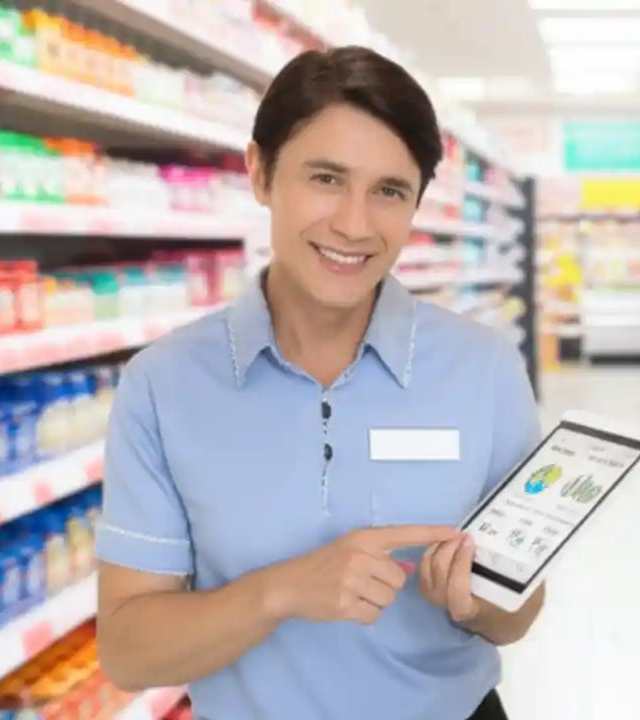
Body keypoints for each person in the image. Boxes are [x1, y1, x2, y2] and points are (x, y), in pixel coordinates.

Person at [94, 46, 545, 720]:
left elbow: (518, 612)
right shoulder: (164, 385)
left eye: (390, 191)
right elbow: (128, 653)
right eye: (327, 178)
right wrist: (280, 591)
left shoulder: (485, 369)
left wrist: (479, 601)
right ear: (259, 172)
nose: (354, 225)